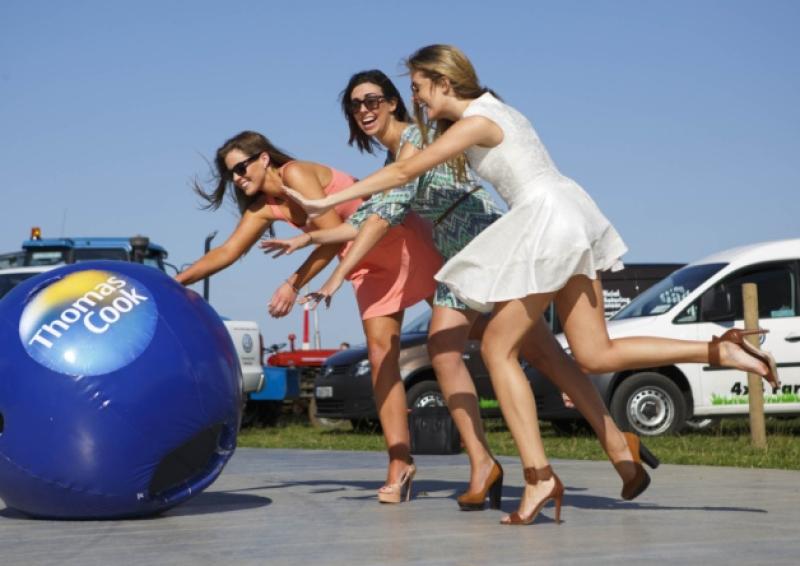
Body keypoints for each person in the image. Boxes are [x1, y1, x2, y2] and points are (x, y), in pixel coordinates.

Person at [282, 45, 780, 526]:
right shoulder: (484, 114)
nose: (418, 99)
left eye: (418, 88)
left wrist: (327, 210)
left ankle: (537, 475)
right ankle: (720, 351)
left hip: (539, 222)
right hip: (564, 214)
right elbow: (393, 193)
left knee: (499, 348)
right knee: (593, 351)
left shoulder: (477, 119)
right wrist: (316, 241)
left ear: (443, 81)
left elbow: (405, 172)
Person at [263, 69, 508, 510]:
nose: (364, 111)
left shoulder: (411, 140)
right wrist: (305, 244)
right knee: (442, 349)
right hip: (423, 251)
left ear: (394, 101)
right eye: (355, 106)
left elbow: (377, 214)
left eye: (372, 100)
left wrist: (320, 274)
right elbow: (367, 216)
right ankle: (453, 463)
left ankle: (587, 443)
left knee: (500, 343)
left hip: (451, 241)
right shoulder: (390, 157)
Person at [175, 130, 443, 504]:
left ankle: (517, 417)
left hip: (400, 238)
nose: (236, 178)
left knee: (469, 337)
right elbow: (227, 251)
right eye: (229, 174)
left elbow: (332, 234)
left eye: (240, 167)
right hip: (365, 265)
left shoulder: (296, 173)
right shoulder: (265, 206)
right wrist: (175, 282)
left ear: (264, 158)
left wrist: (293, 283)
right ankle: (400, 463)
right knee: (382, 358)